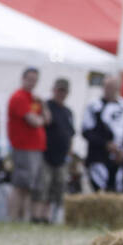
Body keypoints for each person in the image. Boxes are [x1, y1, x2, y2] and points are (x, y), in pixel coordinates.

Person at [6, 67, 46, 222]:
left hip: (35, 148)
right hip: (23, 147)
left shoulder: (34, 99)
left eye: (35, 80)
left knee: (28, 186)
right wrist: (40, 119)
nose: (32, 83)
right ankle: (14, 217)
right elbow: (35, 122)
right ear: (23, 79)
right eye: (29, 79)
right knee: (20, 185)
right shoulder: (19, 97)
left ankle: (23, 217)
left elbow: (46, 119)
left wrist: (43, 106)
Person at [82, 76, 123, 192]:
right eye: (107, 87)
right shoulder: (94, 106)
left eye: (112, 87)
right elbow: (86, 132)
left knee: (115, 192)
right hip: (98, 158)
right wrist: (106, 144)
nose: (109, 90)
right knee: (98, 190)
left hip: (118, 160)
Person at [39, 77, 74, 225]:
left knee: (59, 188)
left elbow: (71, 134)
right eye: (59, 90)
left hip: (62, 158)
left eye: (64, 91)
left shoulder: (68, 112)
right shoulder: (46, 107)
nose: (61, 93)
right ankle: (40, 216)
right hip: (46, 155)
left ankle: (53, 218)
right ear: (53, 90)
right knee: (43, 187)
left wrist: (69, 154)